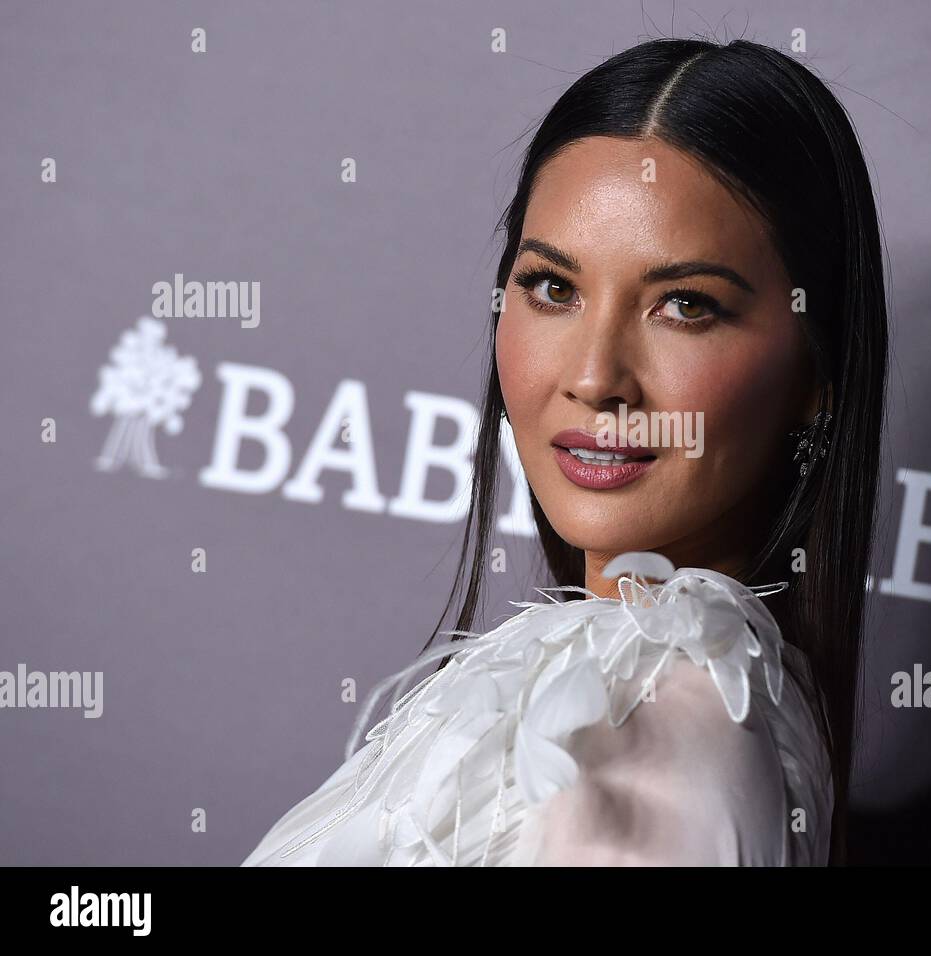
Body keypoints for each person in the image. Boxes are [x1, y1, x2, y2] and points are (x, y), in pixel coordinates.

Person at [242, 34, 889, 867]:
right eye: (553, 288)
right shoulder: (686, 703)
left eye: (686, 305)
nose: (594, 378)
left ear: (817, 376)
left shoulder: (648, 732)